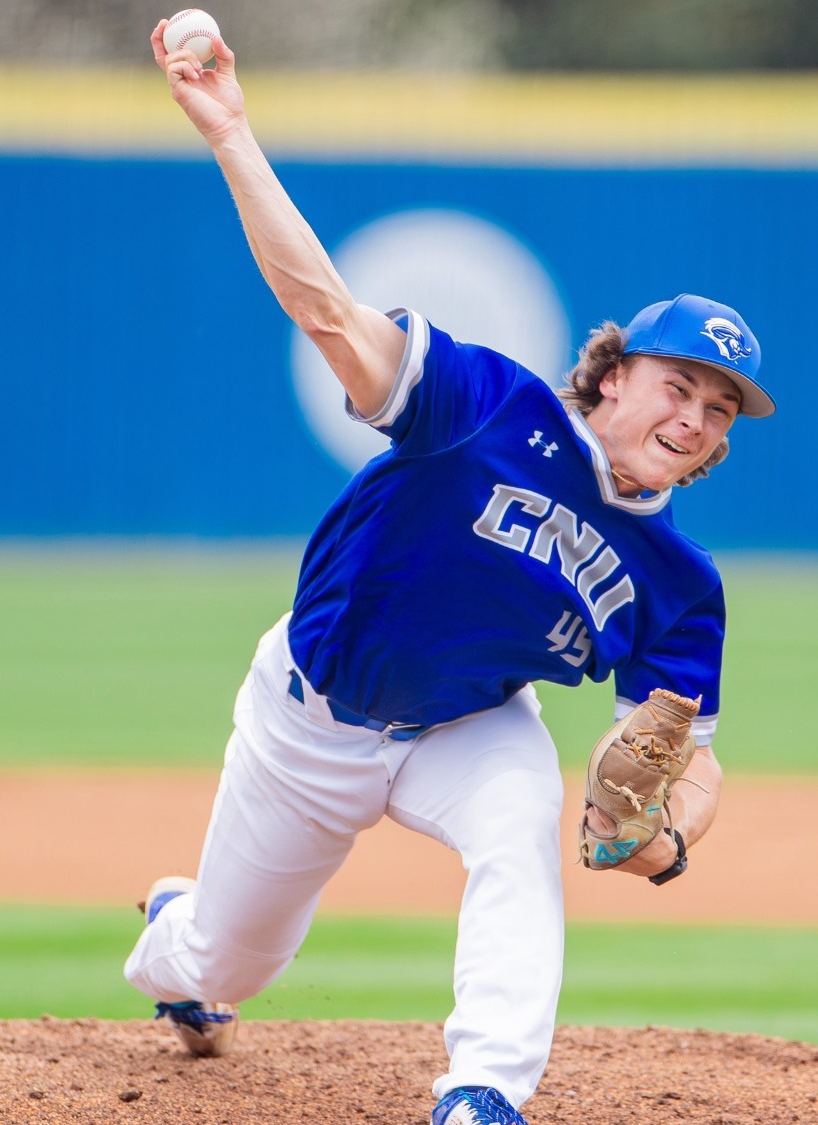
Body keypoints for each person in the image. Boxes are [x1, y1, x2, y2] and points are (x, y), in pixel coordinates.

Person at [124, 19, 775, 1125]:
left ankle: (483, 1093)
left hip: (468, 725)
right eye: (679, 386)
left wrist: (664, 843)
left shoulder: (678, 579)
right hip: (309, 715)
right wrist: (231, 133)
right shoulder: (484, 405)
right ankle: (175, 938)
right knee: (227, 962)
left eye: (719, 411)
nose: (695, 418)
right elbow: (326, 310)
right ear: (613, 374)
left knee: (520, 825)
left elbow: (693, 756)